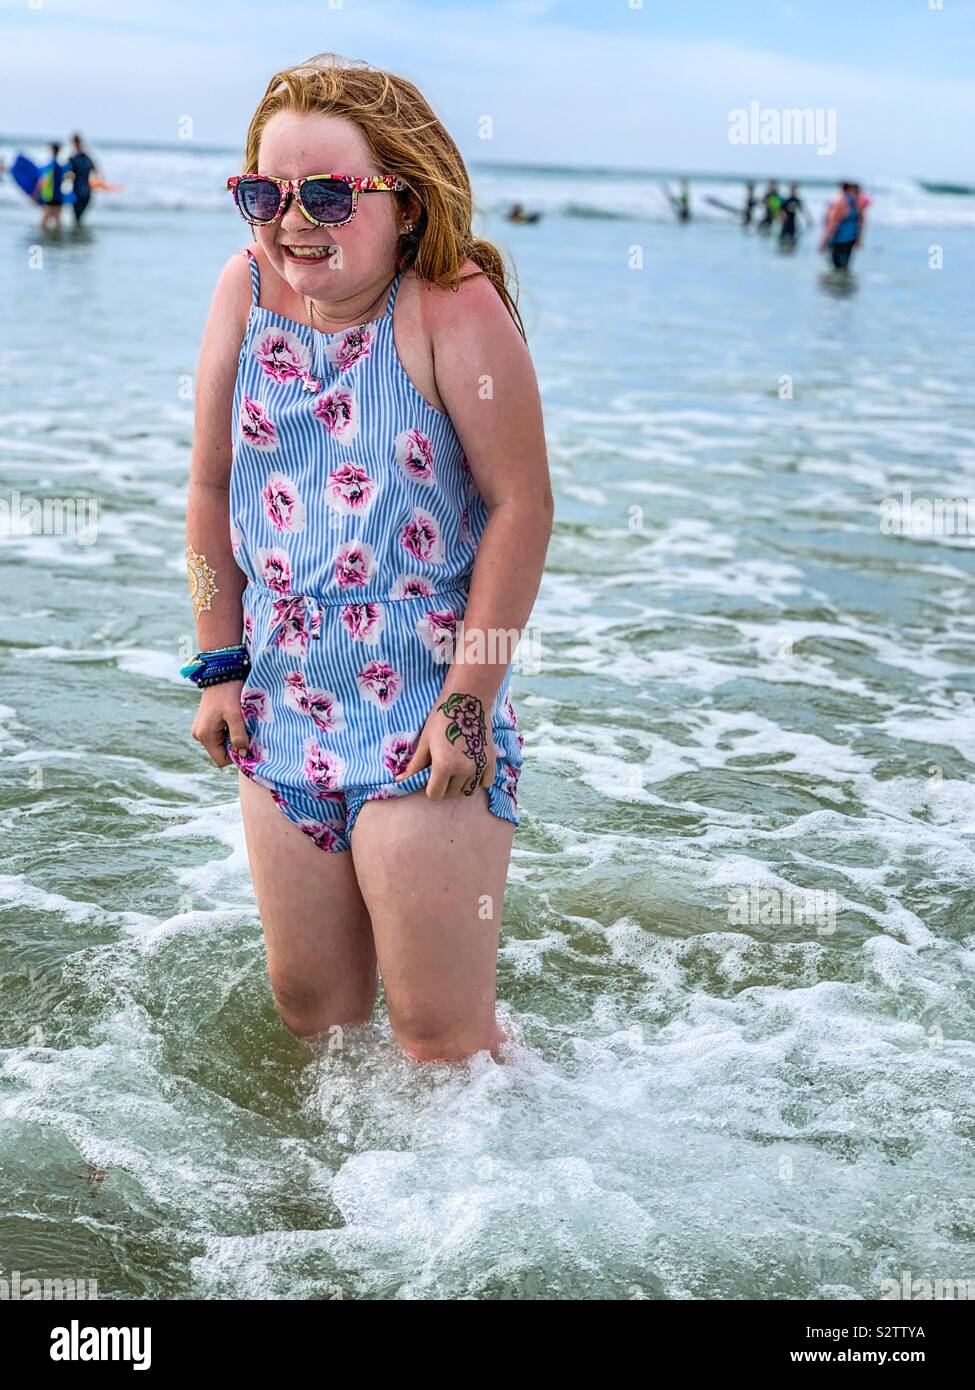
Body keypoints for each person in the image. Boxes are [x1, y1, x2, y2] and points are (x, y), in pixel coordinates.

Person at [185, 52, 552, 1064]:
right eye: (264, 191)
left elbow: (522, 508)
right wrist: (219, 666)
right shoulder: (245, 288)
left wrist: (468, 703)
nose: (292, 218)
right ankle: (335, 1217)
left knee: (438, 1032)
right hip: (283, 696)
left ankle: (502, 1194)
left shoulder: (451, 308)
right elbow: (210, 487)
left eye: (328, 195)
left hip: (421, 703)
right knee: (314, 1013)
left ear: (406, 199)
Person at [820, 181, 863, 269]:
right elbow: (860, 223)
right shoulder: (857, 204)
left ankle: (840, 281)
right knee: (845, 264)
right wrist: (858, 238)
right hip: (851, 238)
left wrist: (824, 240)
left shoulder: (841, 202)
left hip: (839, 238)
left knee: (837, 265)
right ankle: (844, 281)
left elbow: (833, 223)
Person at [64, 133, 98, 224]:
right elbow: (96, 172)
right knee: (80, 217)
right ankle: (79, 235)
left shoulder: (73, 159)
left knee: (77, 217)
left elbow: (68, 176)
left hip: (77, 192)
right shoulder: (88, 158)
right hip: (87, 192)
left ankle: (77, 236)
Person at [35, 142, 64, 231]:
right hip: (58, 196)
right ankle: (57, 238)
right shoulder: (60, 167)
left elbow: (43, 180)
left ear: (51, 151)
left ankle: (44, 238)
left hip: (49, 195)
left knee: (44, 220)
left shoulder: (50, 166)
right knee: (58, 220)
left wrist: (36, 193)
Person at [778, 182, 807, 248]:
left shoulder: (797, 200)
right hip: (785, 223)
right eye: (791, 189)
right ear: (789, 190)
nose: (793, 191)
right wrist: (782, 216)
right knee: (782, 241)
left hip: (793, 224)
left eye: (794, 189)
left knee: (793, 242)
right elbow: (780, 211)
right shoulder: (785, 200)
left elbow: (802, 212)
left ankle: (791, 253)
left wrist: (807, 222)